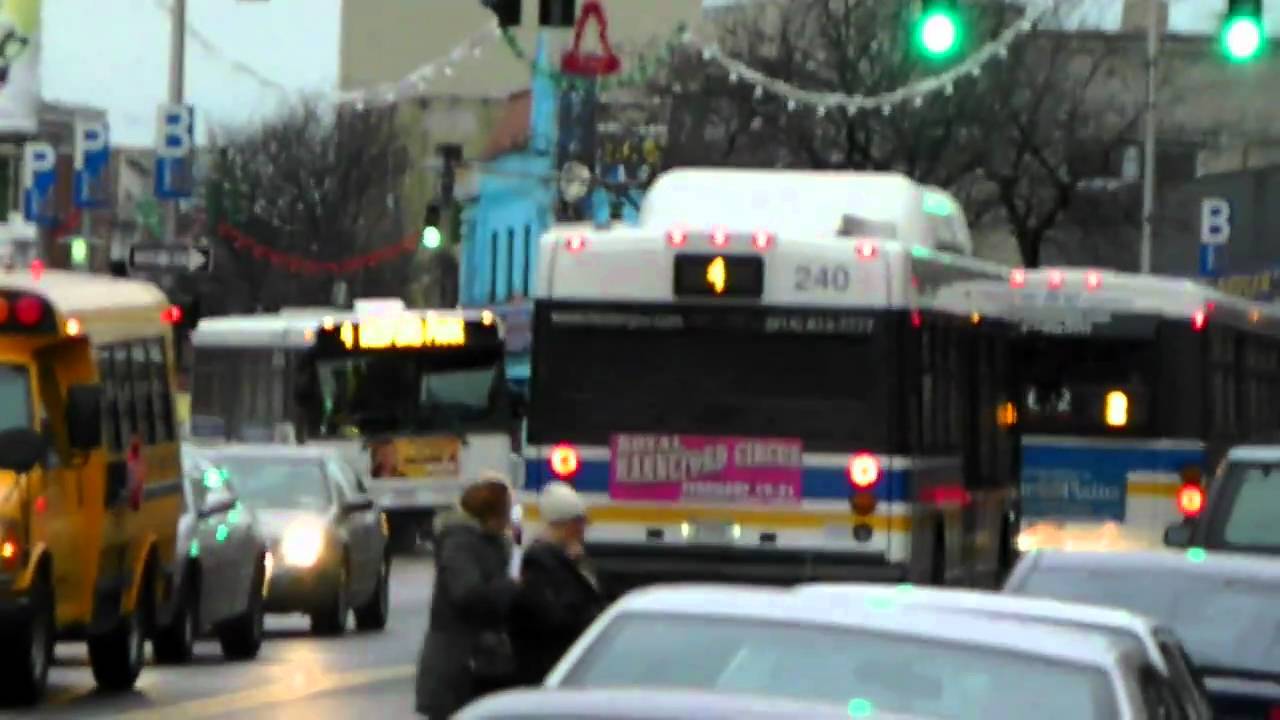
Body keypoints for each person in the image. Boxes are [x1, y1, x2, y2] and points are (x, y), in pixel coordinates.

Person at [415, 471, 519, 719]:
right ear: (492, 514)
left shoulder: (490, 542)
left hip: (478, 665)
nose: (509, 518)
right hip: (456, 667)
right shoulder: (460, 542)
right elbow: (466, 593)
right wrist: (511, 587)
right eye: (506, 511)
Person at [510, 481, 606, 685]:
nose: (583, 531)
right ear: (569, 525)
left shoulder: (565, 558)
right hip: (547, 666)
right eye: (580, 524)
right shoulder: (540, 562)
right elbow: (553, 616)